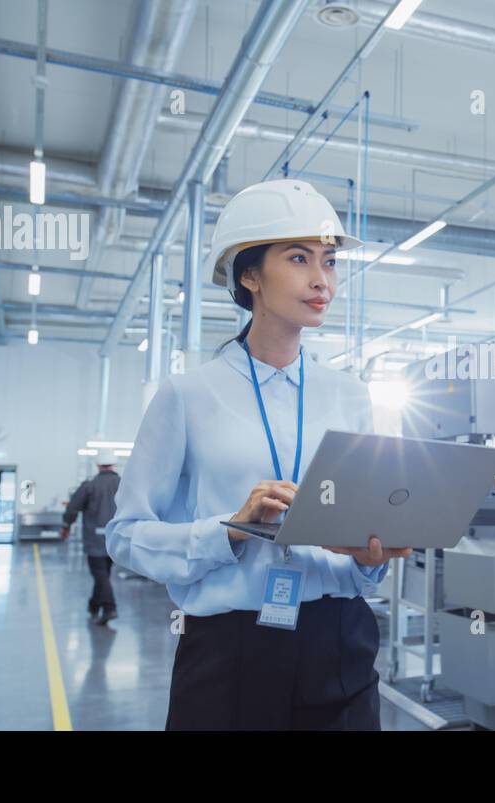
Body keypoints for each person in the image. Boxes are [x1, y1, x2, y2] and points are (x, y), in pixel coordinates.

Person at [106, 179, 411, 731]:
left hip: (339, 643)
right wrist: (229, 531)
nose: (322, 279)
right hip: (229, 652)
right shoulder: (188, 395)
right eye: (298, 258)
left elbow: (362, 543)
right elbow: (126, 535)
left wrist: (370, 558)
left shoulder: (349, 395)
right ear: (249, 275)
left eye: (329, 261)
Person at [63, 449, 122, 625]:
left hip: (94, 540)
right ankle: (94, 606)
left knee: (100, 575)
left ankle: (110, 608)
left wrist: (66, 526)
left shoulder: (89, 485)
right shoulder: (123, 485)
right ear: (114, 464)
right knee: (103, 575)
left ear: (97, 465)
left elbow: (73, 508)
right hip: (116, 539)